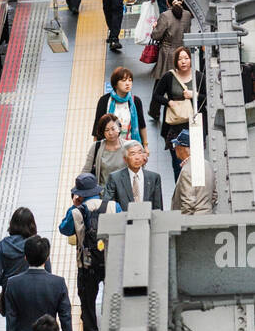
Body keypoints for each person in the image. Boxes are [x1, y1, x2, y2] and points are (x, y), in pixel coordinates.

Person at [59, 174, 122, 331]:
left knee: (87, 306)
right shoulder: (113, 206)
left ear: (80, 193)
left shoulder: (77, 211)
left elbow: (64, 229)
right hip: (111, 262)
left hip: (86, 266)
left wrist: (74, 205)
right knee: (115, 300)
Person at [5, 234, 74, 331]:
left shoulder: (13, 284)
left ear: (25, 257)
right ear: (47, 258)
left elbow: (11, 319)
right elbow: (66, 318)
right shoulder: (58, 283)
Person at [152, 47, 206, 180]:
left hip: (194, 125)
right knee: (178, 164)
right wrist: (169, 102)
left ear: (191, 60)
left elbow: (208, 97)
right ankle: (180, 192)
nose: (183, 62)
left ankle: (195, 193)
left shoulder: (199, 76)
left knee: (196, 163)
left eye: (186, 58)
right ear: (175, 61)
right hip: (174, 126)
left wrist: (194, 95)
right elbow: (156, 95)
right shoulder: (169, 76)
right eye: (180, 59)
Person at [0, 207, 51, 311]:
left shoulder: (2, 246)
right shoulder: (37, 245)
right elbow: (48, 272)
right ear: (32, 225)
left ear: (12, 224)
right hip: (35, 293)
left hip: (11, 295)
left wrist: (8, 281)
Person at [91, 67, 147, 149]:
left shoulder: (135, 101)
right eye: (123, 80)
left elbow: (142, 125)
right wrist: (95, 149)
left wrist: (145, 145)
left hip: (130, 147)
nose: (128, 83)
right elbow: (97, 126)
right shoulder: (105, 100)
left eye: (130, 80)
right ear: (115, 83)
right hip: (109, 148)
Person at [149, 0, 193, 91]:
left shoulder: (165, 15)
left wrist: (155, 27)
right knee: (180, 84)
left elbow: (156, 36)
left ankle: (156, 106)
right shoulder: (187, 15)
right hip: (183, 52)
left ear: (167, 2)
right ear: (181, 0)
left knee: (159, 87)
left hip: (167, 53)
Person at [104, 141, 163, 210]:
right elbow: (108, 206)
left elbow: (158, 207)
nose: (137, 157)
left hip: (147, 219)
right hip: (123, 219)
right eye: (133, 154)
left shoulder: (154, 177)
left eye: (140, 153)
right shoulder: (115, 178)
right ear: (125, 159)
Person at [170, 129, 216, 212]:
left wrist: (184, 223)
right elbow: (214, 195)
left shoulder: (186, 171)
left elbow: (188, 204)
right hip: (207, 217)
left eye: (175, 146)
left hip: (192, 221)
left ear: (182, 148)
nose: (175, 149)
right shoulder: (208, 165)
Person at [81, 113, 127, 188]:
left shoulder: (128, 146)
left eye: (113, 129)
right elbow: (86, 170)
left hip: (125, 194)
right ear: (102, 132)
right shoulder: (96, 147)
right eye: (107, 130)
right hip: (103, 194)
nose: (110, 133)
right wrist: (78, 190)